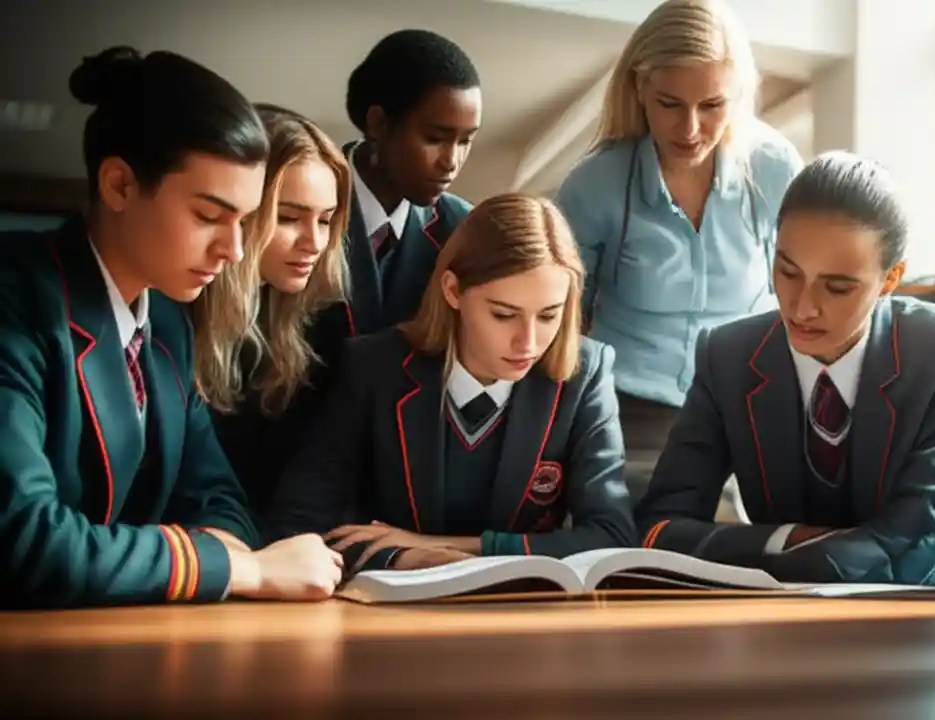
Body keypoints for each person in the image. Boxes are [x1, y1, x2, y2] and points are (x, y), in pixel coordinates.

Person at [0, 46, 343, 608]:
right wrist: (244, 570)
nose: (235, 250)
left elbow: (218, 500)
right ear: (119, 185)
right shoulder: (16, 299)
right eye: (209, 216)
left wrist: (217, 556)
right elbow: (26, 540)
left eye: (245, 221)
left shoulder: (164, 325)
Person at [634, 152, 935, 583]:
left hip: (910, 610)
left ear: (890, 279)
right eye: (788, 273)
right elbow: (660, 529)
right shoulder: (728, 356)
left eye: (837, 287)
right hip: (767, 607)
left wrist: (771, 553)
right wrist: (786, 539)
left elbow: (914, 543)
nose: (802, 308)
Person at [270, 194, 635, 572]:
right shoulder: (372, 368)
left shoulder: (586, 375)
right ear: (452, 290)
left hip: (524, 601)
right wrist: (399, 557)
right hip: (393, 603)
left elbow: (612, 535)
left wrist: (463, 547)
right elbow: (296, 526)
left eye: (548, 316)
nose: (527, 343)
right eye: (503, 314)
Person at [556, 0, 804, 500]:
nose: (690, 129)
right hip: (631, 408)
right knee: (638, 533)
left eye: (712, 106)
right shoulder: (595, 183)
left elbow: (804, 288)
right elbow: (563, 320)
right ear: (640, 89)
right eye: (670, 104)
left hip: (751, 400)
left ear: (737, 96)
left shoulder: (774, 167)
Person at [195, 105, 353, 520]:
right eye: (288, 218)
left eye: (326, 220)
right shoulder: (178, 313)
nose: (314, 243)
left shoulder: (322, 325)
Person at [342, 29, 481, 334]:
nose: (451, 162)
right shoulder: (300, 207)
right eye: (434, 138)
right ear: (378, 123)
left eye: (465, 141)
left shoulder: (463, 231)